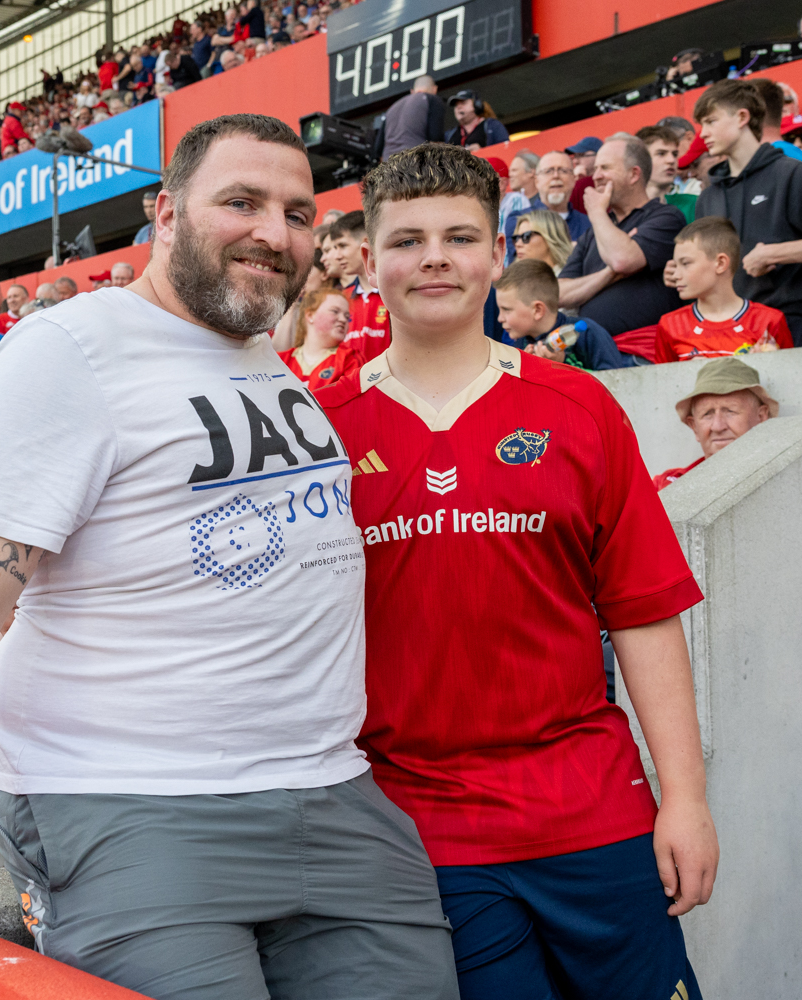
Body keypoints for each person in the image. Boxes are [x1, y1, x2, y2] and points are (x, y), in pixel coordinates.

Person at [0, 113, 459, 999]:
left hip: (333, 796)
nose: (274, 233)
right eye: (241, 201)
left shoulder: (261, 357)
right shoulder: (68, 350)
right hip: (133, 804)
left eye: (298, 212)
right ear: (164, 214)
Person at [313, 141, 717, 1000]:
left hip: (594, 810)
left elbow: (644, 614)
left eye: (460, 237)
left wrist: (684, 797)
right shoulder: (322, 431)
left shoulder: (580, 408)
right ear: (368, 261)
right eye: (406, 239)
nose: (434, 259)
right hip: (423, 833)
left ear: (499, 255)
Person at [685, 79, 802, 345]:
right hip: (719, 335)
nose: (702, 133)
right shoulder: (708, 197)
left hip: (779, 329)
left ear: (742, 117)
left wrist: (777, 253)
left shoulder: (792, 174)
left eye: (711, 121)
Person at [559, 136, 687, 335]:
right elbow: (560, 293)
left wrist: (597, 212)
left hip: (642, 352)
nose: (596, 176)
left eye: (605, 168)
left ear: (634, 174)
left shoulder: (666, 217)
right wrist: (609, 273)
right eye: (596, 169)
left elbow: (622, 260)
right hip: (594, 353)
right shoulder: (594, 231)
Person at [659, 217, 793, 361]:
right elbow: (663, 381)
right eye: (676, 265)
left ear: (720, 263)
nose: (676, 275)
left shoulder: (769, 321)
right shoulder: (670, 325)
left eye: (685, 264)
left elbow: (788, 378)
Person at [653, 358, 779, 489]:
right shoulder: (665, 485)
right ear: (694, 426)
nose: (718, 426)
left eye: (730, 411)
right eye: (707, 414)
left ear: (761, 417)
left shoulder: (788, 478)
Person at [497, 259, 637, 370]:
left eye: (507, 310)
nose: (500, 318)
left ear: (537, 310)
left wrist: (562, 366)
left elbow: (614, 384)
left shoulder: (587, 333)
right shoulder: (521, 346)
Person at [502, 150, 590, 264]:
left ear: (573, 179)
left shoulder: (588, 223)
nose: (556, 176)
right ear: (537, 181)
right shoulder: (518, 219)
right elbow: (520, 266)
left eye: (563, 171)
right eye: (548, 171)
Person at [329, 211, 391, 362]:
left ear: (365, 243)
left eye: (342, 246)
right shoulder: (341, 298)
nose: (337, 256)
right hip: (352, 384)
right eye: (335, 248)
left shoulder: (393, 292)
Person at [276, 284, 358, 388]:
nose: (343, 319)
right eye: (335, 311)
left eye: (347, 316)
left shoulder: (350, 359)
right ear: (310, 315)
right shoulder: (281, 360)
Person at [379, 76, 449, 160]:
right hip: (414, 162)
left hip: (389, 165)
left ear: (412, 91)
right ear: (435, 89)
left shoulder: (392, 108)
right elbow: (436, 137)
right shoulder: (432, 99)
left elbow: (378, 148)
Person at [510, 209, 573, 274]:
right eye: (516, 238)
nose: (517, 244)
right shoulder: (513, 279)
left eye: (526, 236)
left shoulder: (571, 277)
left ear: (550, 238)